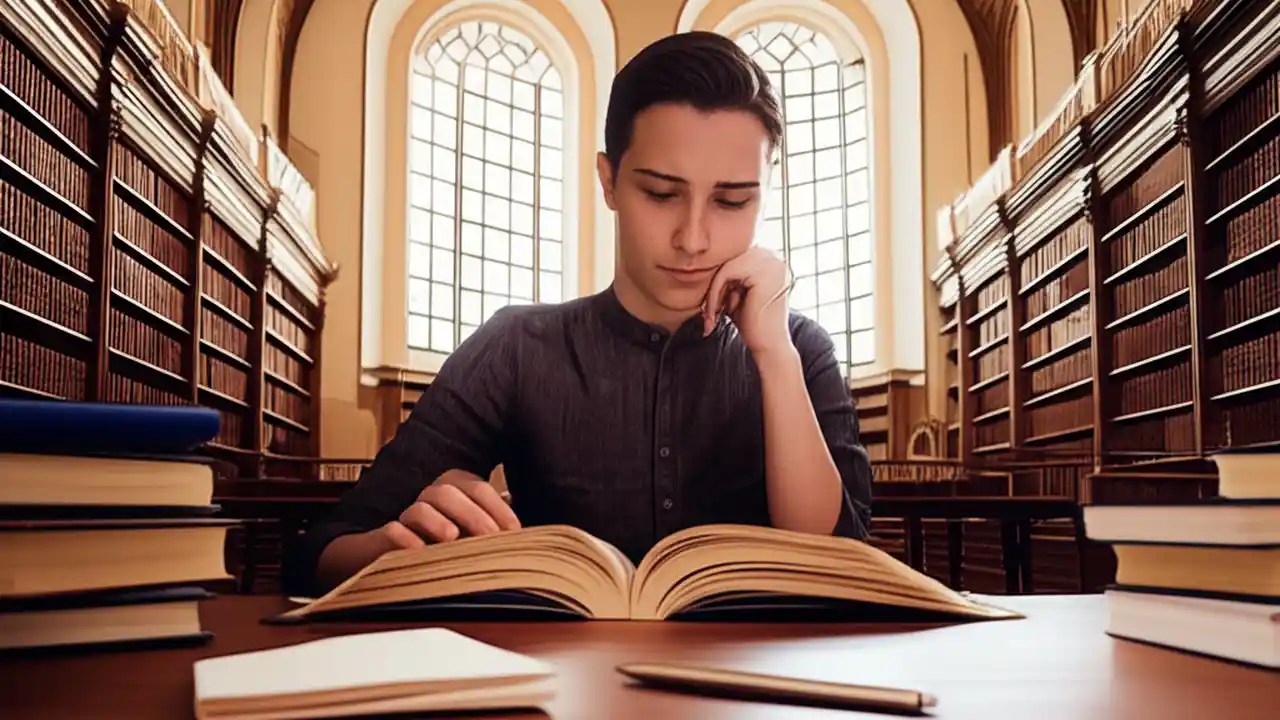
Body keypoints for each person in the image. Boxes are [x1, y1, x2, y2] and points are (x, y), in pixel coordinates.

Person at [283, 30, 873, 596]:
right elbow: (318, 555)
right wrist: (405, 547)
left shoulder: (800, 350)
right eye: (661, 194)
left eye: (731, 200)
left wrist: (773, 354)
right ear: (609, 180)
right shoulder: (516, 346)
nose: (693, 239)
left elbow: (846, 565)